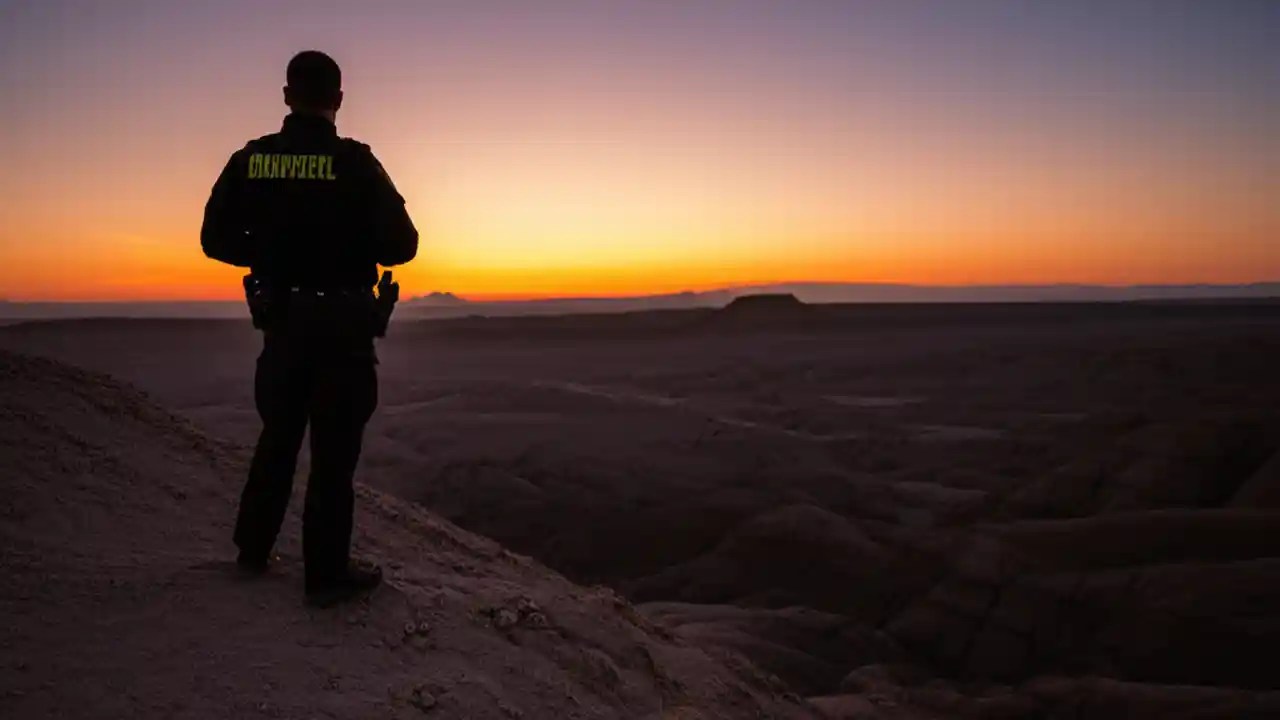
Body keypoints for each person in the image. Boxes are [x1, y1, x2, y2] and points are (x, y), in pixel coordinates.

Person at [200, 50, 418, 607]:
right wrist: (344, 245)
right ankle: (325, 575)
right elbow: (403, 244)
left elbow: (215, 239)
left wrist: (270, 252)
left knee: (278, 437)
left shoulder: (254, 160)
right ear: (339, 100)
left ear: (286, 95)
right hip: (342, 325)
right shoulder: (356, 164)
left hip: (286, 322)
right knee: (333, 452)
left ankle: (252, 549)